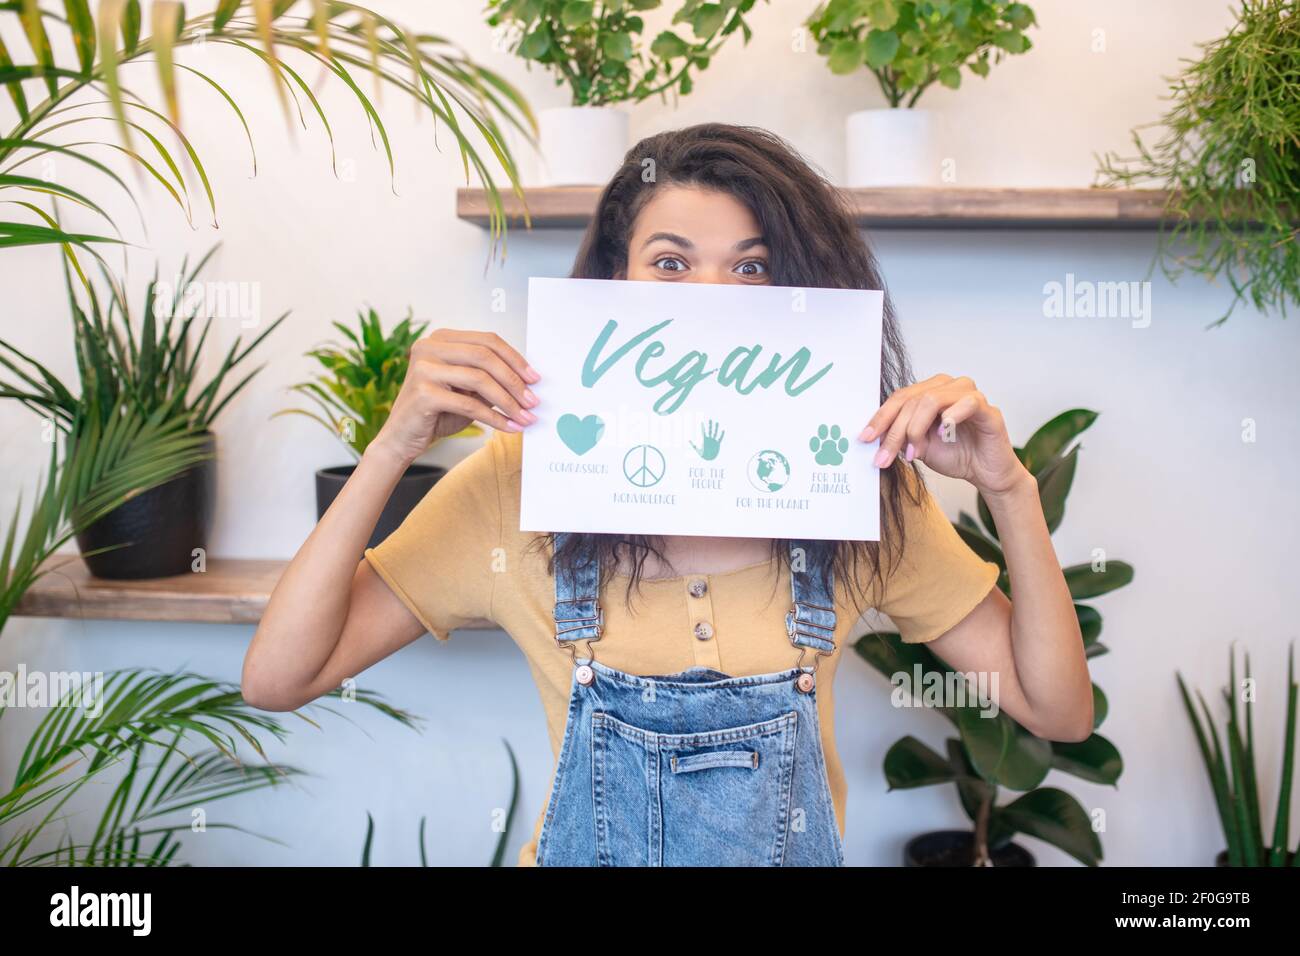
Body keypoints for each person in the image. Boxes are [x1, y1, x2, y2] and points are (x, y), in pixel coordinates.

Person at [242, 123, 1093, 867]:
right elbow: (280, 678)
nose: (713, 299)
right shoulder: (517, 481)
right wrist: (392, 446)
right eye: (672, 262)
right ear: (617, 281)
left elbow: (1056, 711)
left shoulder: (858, 483)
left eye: (752, 267)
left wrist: (1009, 488)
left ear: (802, 291)